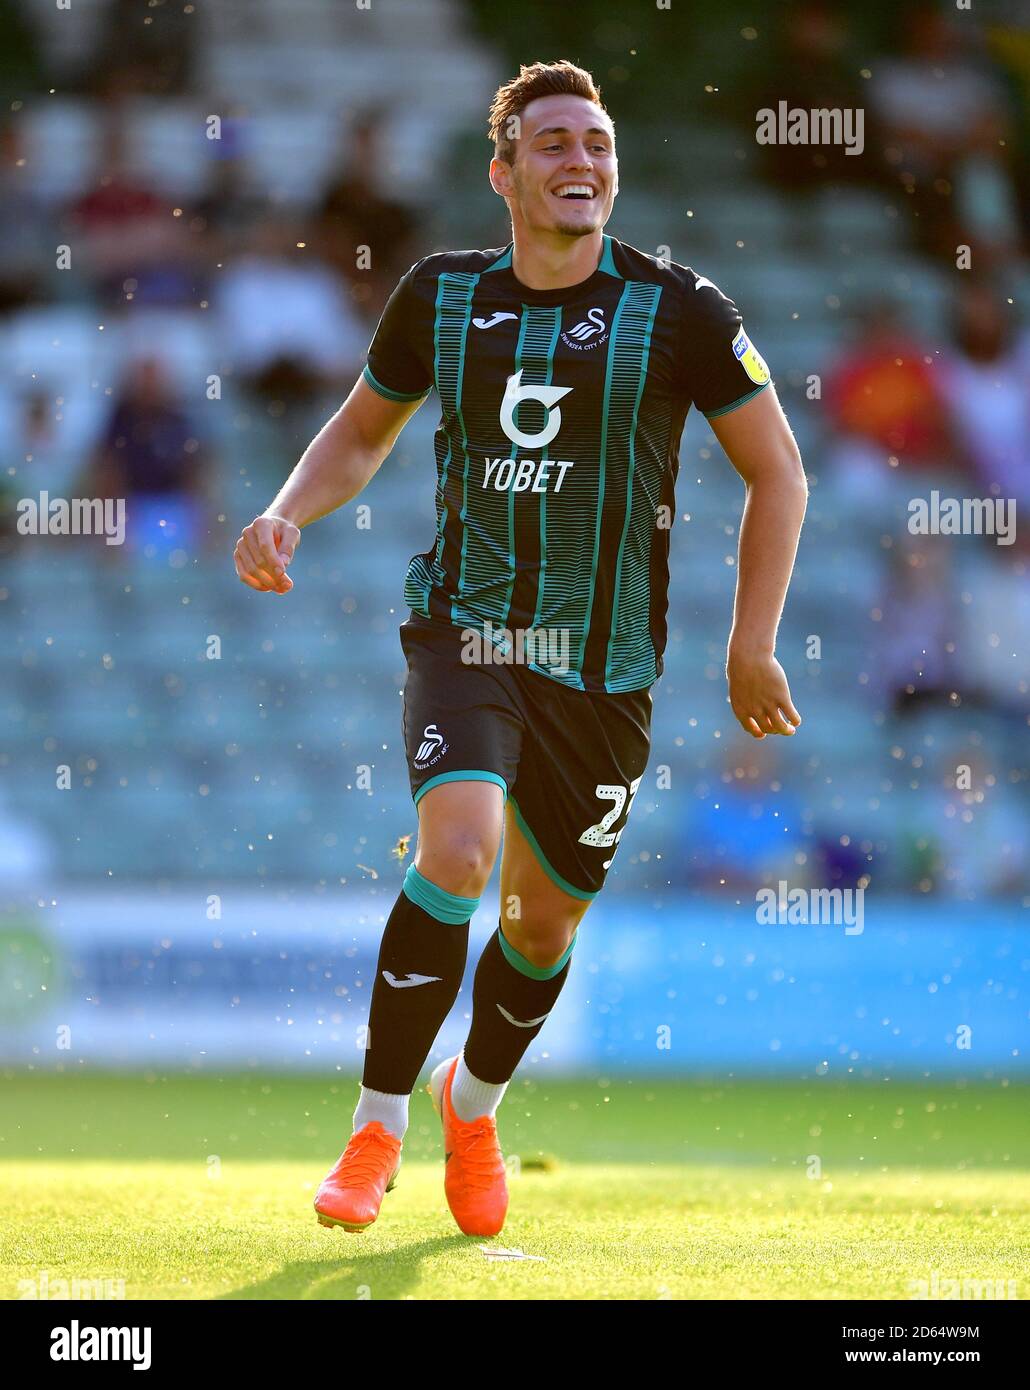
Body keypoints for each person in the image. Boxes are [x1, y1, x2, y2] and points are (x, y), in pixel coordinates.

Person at [233, 61, 808, 1237]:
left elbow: (776, 471)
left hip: (605, 667)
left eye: (595, 142)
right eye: (551, 143)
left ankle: (474, 1103)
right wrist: (292, 506)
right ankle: (375, 1123)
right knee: (456, 852)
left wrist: (752, 641)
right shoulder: (440, 295)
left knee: (542, 926)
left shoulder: (680, 307)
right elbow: (357, 431)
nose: (580, 160)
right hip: (470, 631)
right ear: (503, 174)